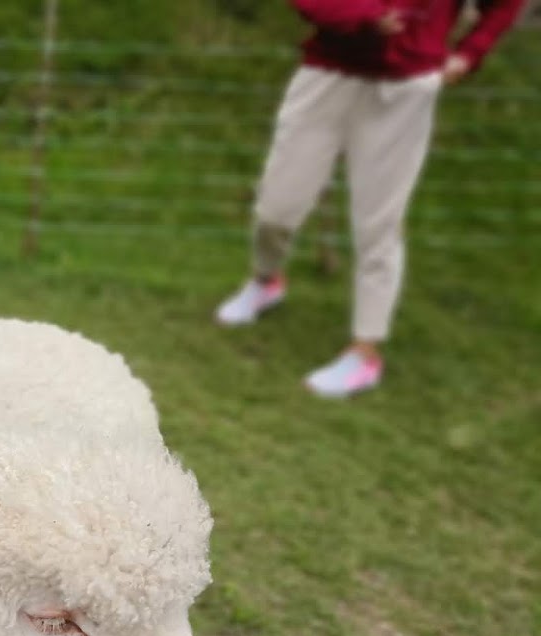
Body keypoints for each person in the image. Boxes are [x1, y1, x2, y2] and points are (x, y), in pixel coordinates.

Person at [213, 0, 526, 398]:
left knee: (378, 222)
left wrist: (469, 54)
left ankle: (365, 353)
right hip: (326, 73)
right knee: (277, 207)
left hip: (406, 88)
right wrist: (367, 17)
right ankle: (266, 280)